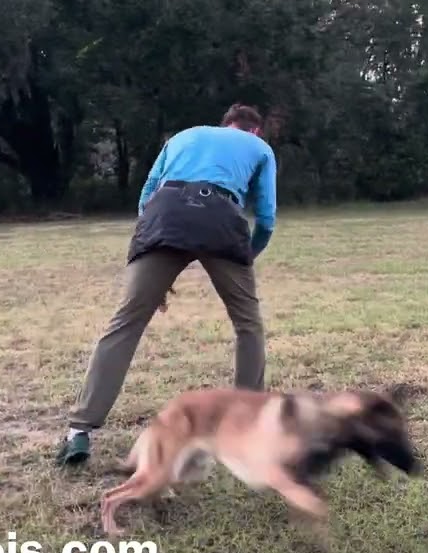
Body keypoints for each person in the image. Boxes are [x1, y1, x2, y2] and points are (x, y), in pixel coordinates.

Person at [55, 103, 278, 468]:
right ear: (253, 132)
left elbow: (146, 197)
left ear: (225, 124)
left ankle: (79, 431)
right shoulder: (260, 148)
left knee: (125, 322)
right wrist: (246, 255)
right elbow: (266, 217)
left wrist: (154, 250)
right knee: (247, 323)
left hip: (164, 212)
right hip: (222, 218)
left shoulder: (182, 137)